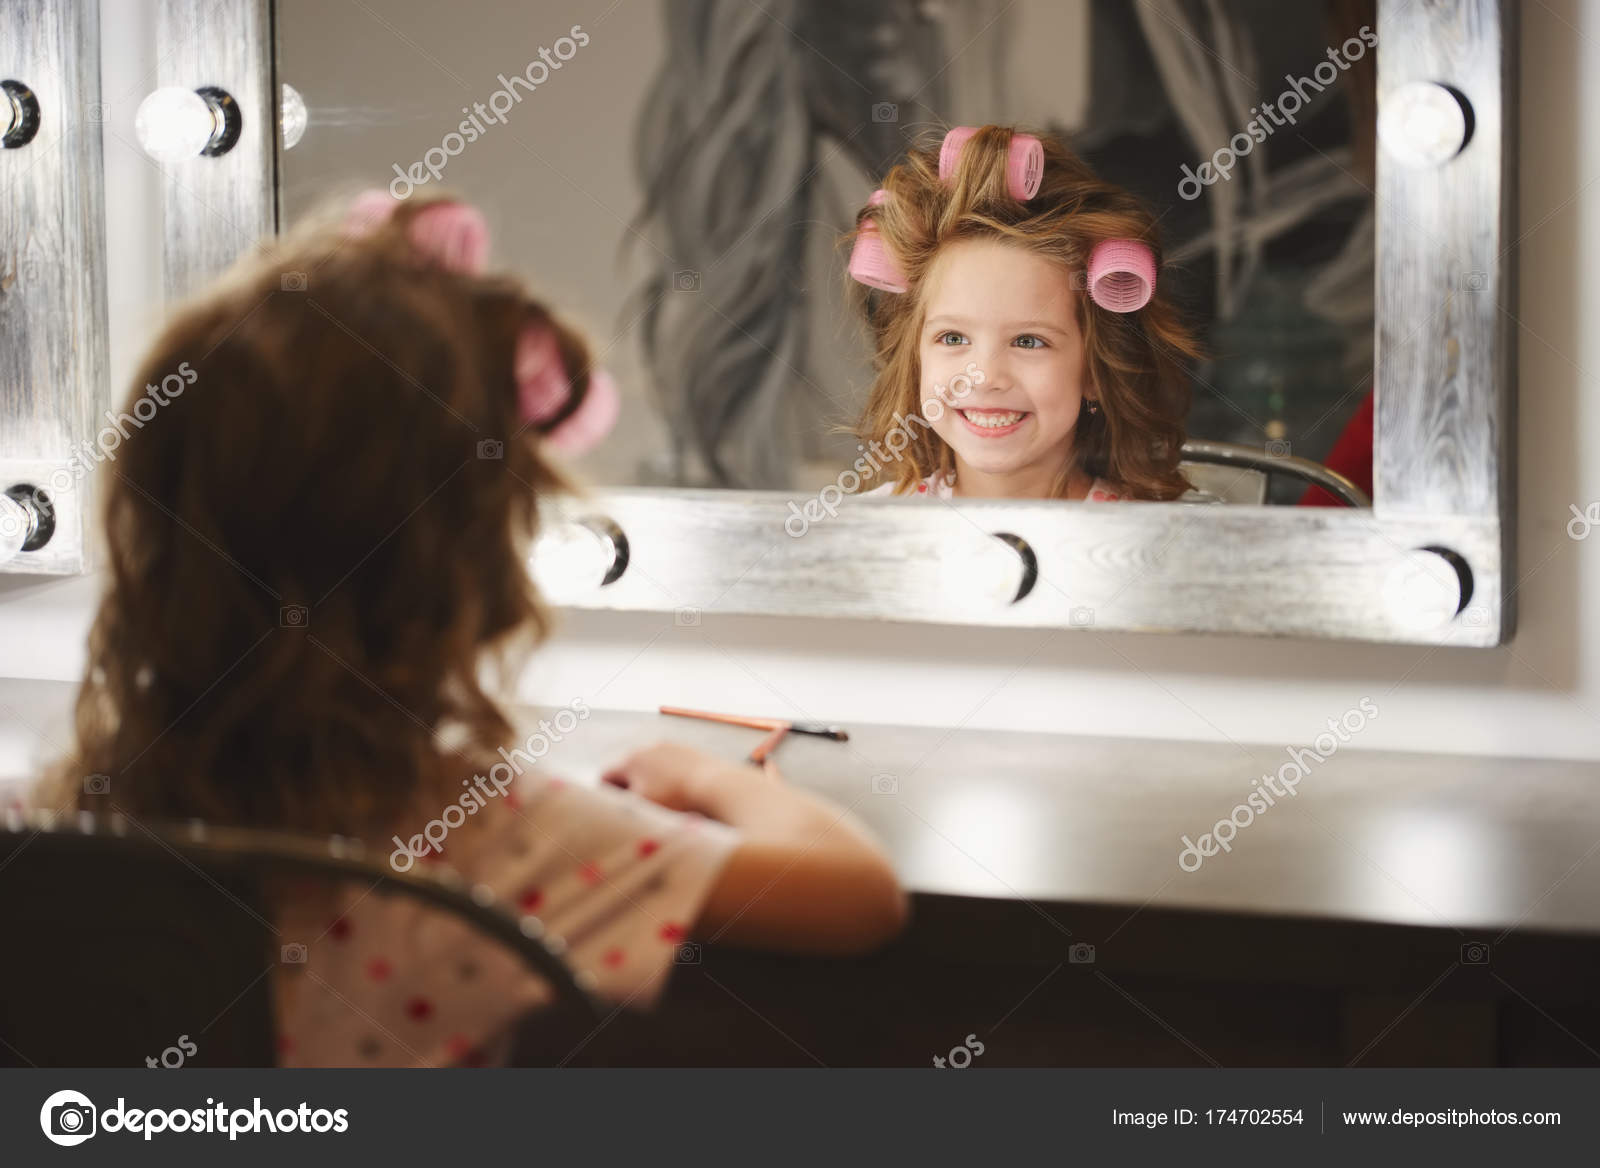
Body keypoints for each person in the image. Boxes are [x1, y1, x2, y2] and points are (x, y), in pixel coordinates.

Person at [36, 191, 906, 1066]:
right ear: (470, 576)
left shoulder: (56, 823)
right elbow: (857, 894)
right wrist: (702, 777)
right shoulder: (503, 840)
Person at [845, 125, 1212, 503]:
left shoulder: (1155, 538)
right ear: (915, 358)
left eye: (1028, 341)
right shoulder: (869, 534)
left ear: (1093, 371)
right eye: (953, 338)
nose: (986, 377)